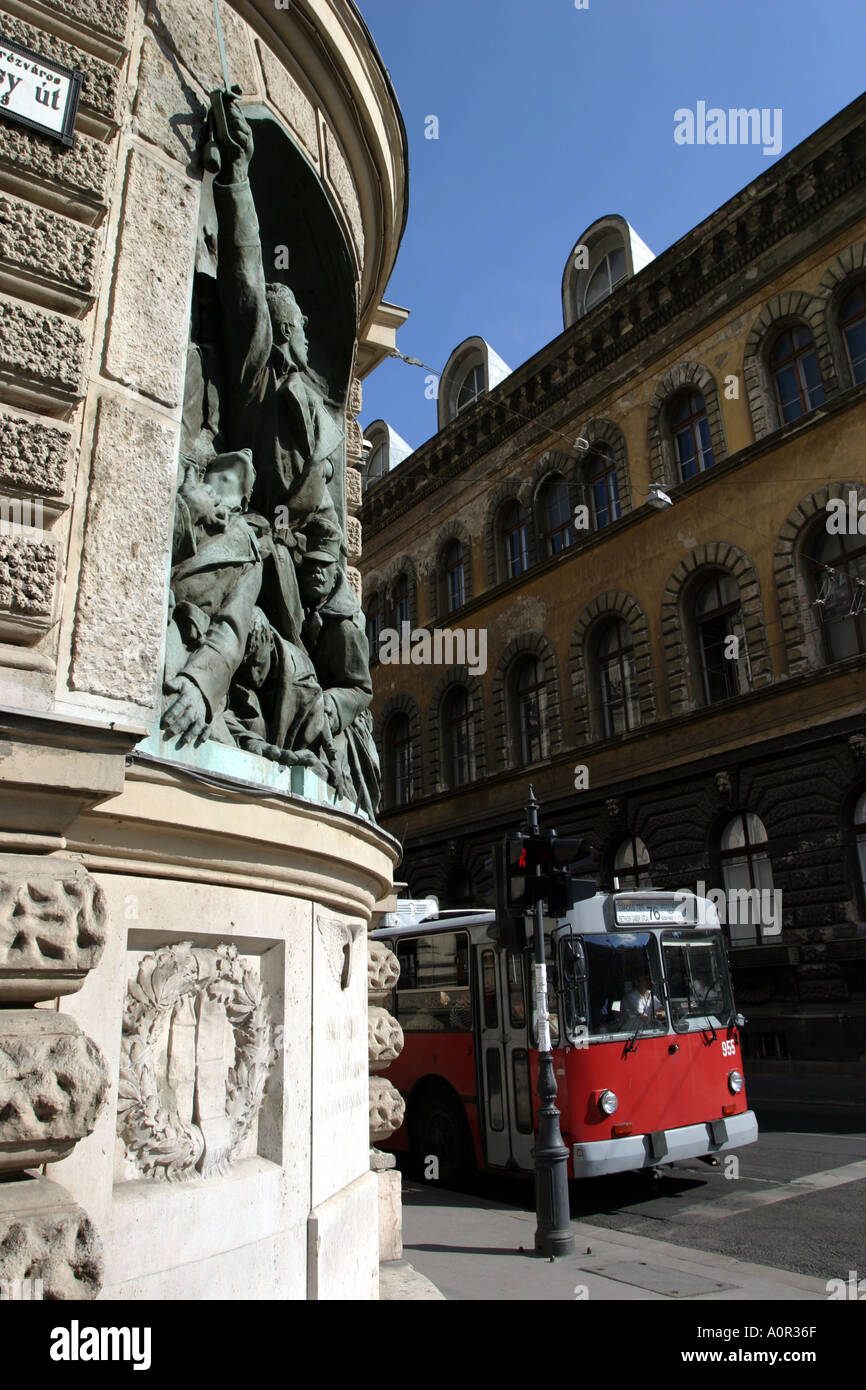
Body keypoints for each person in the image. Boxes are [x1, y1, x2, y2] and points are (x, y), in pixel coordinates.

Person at [162, 450, 262, 747]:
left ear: (245, 503)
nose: (246, 453)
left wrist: (199, 685)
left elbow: (230, 629)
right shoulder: (171, 480)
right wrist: (186, 510)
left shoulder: (247, 551)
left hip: (186, 652)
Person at [296, 516, 380, 818]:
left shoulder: (345, 627)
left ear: (335, 575)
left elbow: (361, 689)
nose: (317, 571)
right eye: (312, 564)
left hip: (341, 719)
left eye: (326, 566)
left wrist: (328, 707)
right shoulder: (301, 607)